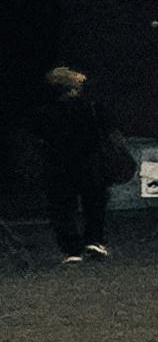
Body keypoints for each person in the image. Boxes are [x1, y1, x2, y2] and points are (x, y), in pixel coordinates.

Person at [32, 64, 129, 264]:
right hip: (91, 163)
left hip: (58, 165)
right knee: (94, 203)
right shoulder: (92, 107)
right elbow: (110, 131)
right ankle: (94, 241)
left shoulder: (45, 112)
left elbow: (39, 137)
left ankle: (71, 249)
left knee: (61, 208)